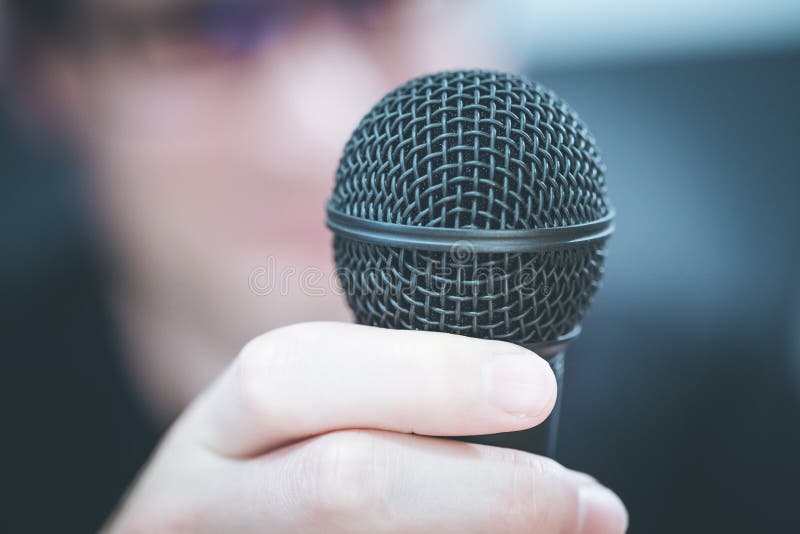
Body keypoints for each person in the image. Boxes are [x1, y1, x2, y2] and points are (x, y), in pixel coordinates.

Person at [4, 1, 628, 532]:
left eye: (377, 7)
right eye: (194, 29)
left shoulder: (703, 419)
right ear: (52, 78)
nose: (317, 130)